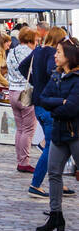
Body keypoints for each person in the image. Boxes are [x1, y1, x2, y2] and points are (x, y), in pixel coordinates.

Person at [34, 37, 79, 231]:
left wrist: (58, 107)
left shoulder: (77, 79)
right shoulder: (56, 76)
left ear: (69, 56)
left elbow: (72, 107)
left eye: (59, 52)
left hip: (76, 132)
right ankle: (56, 215)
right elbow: (43, 99)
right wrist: (60, 103)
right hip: (59, 132)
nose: (55, 55)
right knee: (53, 173)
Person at [21, 27, 71, 200]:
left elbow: (22, 67)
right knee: (52, 146)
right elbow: (53, 71)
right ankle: (35, 185)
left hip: (38, 102)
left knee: (56, 145)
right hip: (47, 104)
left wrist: (38, 83)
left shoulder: (38, 50)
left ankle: (57, 183)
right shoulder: (51, 53)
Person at [6, 26, 37, 172]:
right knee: (28, 129)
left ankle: (20, 159)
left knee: (20, 129)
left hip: (12, 90)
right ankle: (24, 162)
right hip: (26, 92)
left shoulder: (11, 51)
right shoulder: (32, 53)